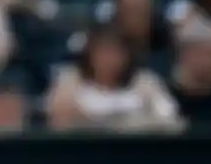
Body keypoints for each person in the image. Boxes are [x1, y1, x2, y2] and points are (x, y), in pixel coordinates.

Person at [45, 28, 181, 133]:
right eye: (103, 52)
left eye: (116, 53)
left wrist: (95, 122)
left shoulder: (146, 81)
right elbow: (58, 122)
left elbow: (170, 121)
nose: (109, 60)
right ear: (90, 55)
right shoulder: (70, 79)